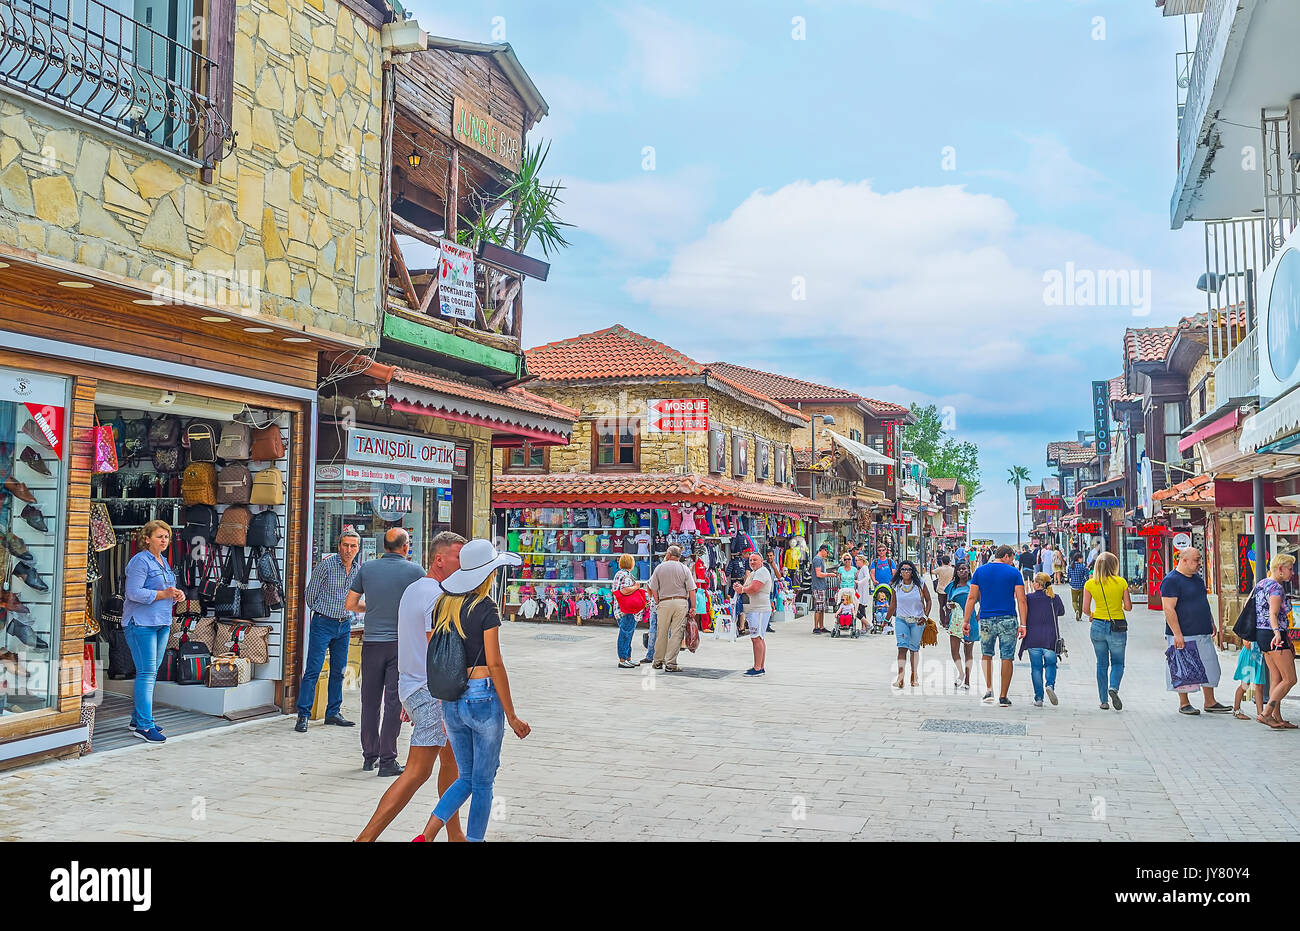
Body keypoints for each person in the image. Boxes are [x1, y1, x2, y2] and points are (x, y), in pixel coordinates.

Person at [416, 539, 529, 843]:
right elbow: (495, 663)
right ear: (488, 574)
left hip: (452, 699)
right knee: (482, 783)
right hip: (482, 696)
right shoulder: (486, 607)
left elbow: (438, 654)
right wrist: (512, 715)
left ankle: (426, 835)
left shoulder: (443, 603)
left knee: (465, 777)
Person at [356, 531, 467, 842]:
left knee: (451, 763)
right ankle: (365, 838)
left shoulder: (415, 589)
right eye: (459, 557)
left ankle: (455, 834)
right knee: (418, 771)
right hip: (432, 692)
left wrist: (411, 697)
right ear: (439, 559)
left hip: (416, 687)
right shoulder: (435, 596)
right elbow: (440, 653)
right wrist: (447, 700)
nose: (464, 563)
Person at [345, 528, 426, 776]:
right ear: (405, 547)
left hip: (371, 643)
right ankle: (388, 759)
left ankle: (369, 756)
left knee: (369, 700)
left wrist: (371, 608)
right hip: (399, 645)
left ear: (384, 547)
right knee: (393, 701)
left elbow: (350, 604)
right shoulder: (416, 572)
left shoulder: (367, 569)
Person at [121, 520, 186, 742]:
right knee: (147, 673)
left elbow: (165, 590)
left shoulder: (163, 562)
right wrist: (163, 594)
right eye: (160, 536)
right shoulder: (140, 561)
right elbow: (133, 593)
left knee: (151, 672)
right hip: (141, 623)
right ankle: (145, 726)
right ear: (147, 539)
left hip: (161, 621)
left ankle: (137, 719)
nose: (165, 540)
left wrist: (177, 594)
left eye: (167, 537)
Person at [296, 531, 362, 732]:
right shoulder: (326, 566)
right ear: (338, 546)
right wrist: (323, 610)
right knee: (313, 669)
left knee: (339, 671)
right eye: (345, 545)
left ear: (358, 549)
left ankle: (333, 712)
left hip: (344, 624)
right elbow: (310, 595)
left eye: (353, 546)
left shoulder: (358, 570)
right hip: (323, 623)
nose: (348, 550)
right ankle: (303, 715)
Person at [1159, 547, 1231, 716]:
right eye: (1196, 560)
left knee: (1210, 666)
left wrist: (1211, 621)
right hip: (1184, 632)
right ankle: (1184, 703)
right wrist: (1177, 634)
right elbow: (1168, 608)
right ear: (1183, 560)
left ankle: (1210, 701)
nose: (1199, 563)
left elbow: (1202, 602)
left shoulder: (1197, 579)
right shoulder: (1171, 580)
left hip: (1202, 630)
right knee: (1183, 668)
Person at [963, 544, 1026, 707]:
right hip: (1008, 619)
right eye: (1012, 559)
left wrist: (966, 620)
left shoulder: (980, 571)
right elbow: (1021, 599)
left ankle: (989, 689)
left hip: (986, 619)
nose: (1012, 562)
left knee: (987, 654)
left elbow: (971, 598)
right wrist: (1023, 624)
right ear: (1006, 556)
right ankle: (1003, 696)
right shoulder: (1014, 573)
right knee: (1007, 657)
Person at [1081, 551, 1131, 711]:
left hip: (1097, 626)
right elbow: (1128, 607)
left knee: (1101, 664)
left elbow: (1085, 610)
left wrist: (1095, 614)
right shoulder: (1121, 582)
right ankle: (1114, 687)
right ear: (1114, 565)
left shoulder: (1090, 584)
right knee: (1118, 662)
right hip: (1117, 626)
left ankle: (1103, 700)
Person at [1254, 553, 1297, 729]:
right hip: (1274, 635)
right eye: (1290, 569)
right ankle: (1266, 713)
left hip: (1262, 635)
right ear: (1280, 569)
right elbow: (1273, 613)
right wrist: (1277, 633)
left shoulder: (1261, 584)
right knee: (1290, 679)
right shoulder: (1276, 588)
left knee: (1277, 678)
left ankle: (1276, 717)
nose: (1292, 573)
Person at [649, 544, 696, 671]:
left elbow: (652, 587)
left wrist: (658, 600)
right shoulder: (684, 568)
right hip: (680, 603)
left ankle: (658, 661)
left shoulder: (659, 568)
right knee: (676, 633)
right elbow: (692, 590)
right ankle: (670, 663)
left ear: (668, 555)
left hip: (664, 602)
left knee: (661, 632)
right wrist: (694, 607)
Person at [1019, 573, 1064, 707]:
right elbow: (1061, 612)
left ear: (1038, 584)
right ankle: (1050, 685)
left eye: (1034, 582)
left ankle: (1039, 698)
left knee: (1036, 668)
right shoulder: (1054, 598)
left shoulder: (1029, 598)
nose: (1032, 583)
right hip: (1050, 638)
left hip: (1033, 638)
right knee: (1051, 664)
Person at [888, 560, 932, 689]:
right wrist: (885, 620)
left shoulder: (920, 584)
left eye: (908, 569)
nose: (905, 572)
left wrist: (925, 616)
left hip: (918, 621)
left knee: (914, 649)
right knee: (902, 648)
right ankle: (900, 677)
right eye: (903, 569)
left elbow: (929, 601)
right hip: (901, 620)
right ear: (899, 572)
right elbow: (893, 605)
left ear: (912, 572)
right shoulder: (896, 586)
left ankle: (914, 675)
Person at [735, 550, 773, 676]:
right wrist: (740, 588)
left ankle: (758, 668)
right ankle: (759, 666)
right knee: (757, 638)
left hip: (759, 610)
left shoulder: (762, 572)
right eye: (750, 560)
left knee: (757, 638)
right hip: (754, 609)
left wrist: (742, 590)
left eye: (755, 560)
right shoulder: (755, 572)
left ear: (761, 561)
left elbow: (754, 588)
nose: (752, 562)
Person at [945, 562, 976, 689]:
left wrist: (978, 618)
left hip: (970, 620)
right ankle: (961, 673)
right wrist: (949, 606)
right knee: (954, 651)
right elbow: (947, 602)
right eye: (959, 569)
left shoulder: (973, 585)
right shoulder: (952, 586)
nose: (962, 571)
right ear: (956, 572)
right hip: (955, 620)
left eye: (964, 569)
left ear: (969, 570)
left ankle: (968, 680)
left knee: (968, 652)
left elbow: (982, 601)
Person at [613, 554, 644, 669]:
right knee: (625, 634)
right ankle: (623, 659)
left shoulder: (619, 573)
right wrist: (636, 587)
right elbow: (624, 590)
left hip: (621, 608)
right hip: (627, 610)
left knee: (627, 634)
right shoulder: (626, 575)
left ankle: (627, 658)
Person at [810, 543, 834, 634]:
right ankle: (816, 627)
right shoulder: (817, 560)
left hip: (822, 586)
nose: (827, 554)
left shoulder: (820, 560)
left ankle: (821, 626)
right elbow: (818, 574)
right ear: (823, 550)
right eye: (827, 552)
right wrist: (829, 574)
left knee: (822, 608)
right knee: (818, 608)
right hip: (818, 586)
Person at [1066, 550, 1089, 622]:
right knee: (1081, 602)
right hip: (1082, 586)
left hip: (1073, 586)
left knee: (1074, 601)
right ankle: (1079, 616)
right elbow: (1087, 577)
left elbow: (1068, 576)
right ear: (1078, 559)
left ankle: (1076, 610)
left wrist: (1071, 582)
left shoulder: (1070, 566)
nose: (1082, 560)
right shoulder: (1083, 566)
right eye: (1081, 558)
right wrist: (1084, 582)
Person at [933, 555, 954, 629]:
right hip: (949, 591)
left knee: (941, 606)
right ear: (949, 562)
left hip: (940, 590)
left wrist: (932, 564)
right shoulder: (952, 569)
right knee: (948, 607)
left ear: (942, 561)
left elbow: (932, 572)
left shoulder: (940, 569)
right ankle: (947, 622)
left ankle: (942, 621)